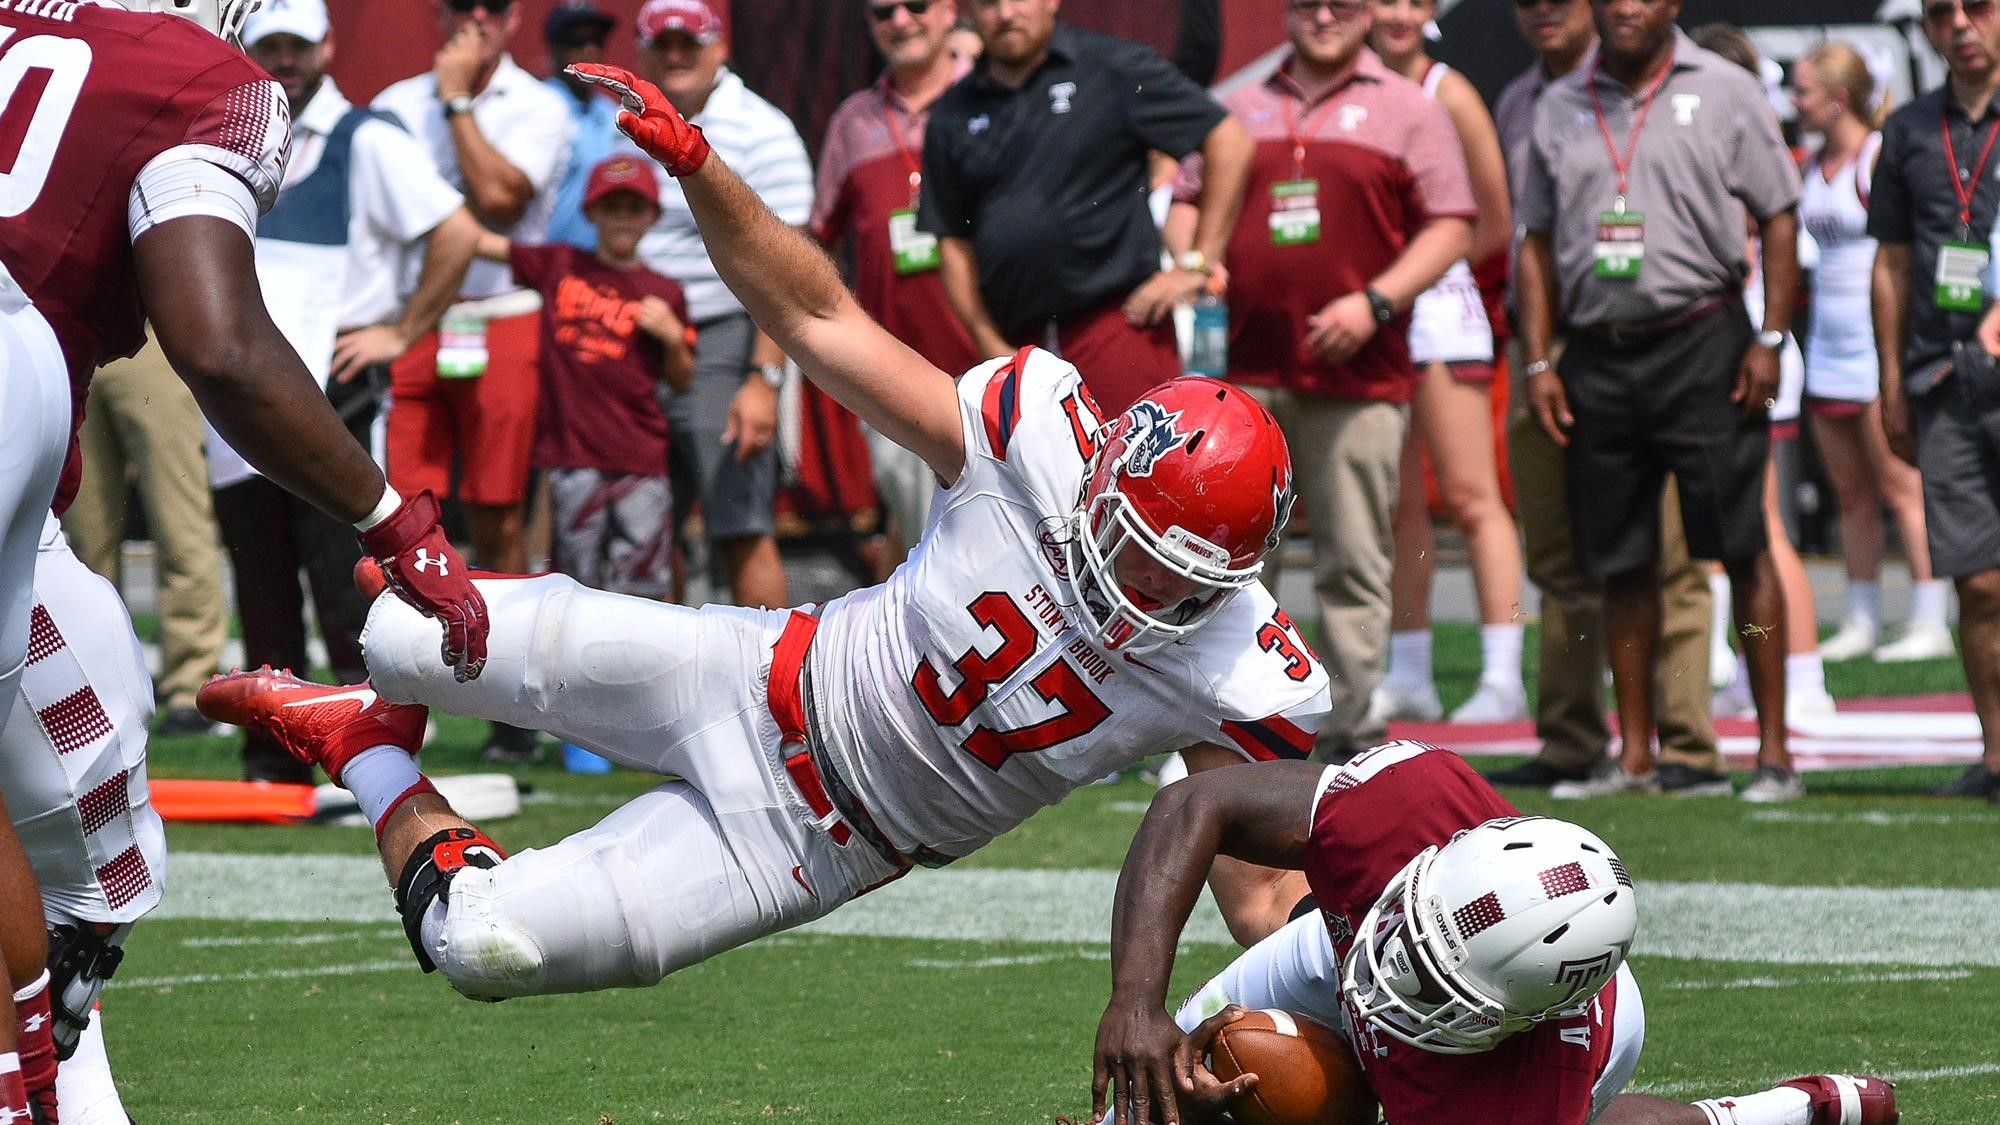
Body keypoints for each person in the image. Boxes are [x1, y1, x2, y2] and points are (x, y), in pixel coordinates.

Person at [196, 60, 1332, 1009]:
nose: (1137, 583)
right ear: (1102, 478)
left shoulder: (1235, 663)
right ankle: (383, 686)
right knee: (402, 632)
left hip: (808, 847)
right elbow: (815, 315)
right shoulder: (1032, 436)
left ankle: (366, 748)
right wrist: (698, 169)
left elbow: (1260, 899)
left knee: (485, 947)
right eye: (1133, 540)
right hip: (752, 672)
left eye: (1176, 575)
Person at [0, 1, 488, 1118]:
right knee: (91, 857)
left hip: (28, 469)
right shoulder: (198, 77)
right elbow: (216, 340)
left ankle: (64, 1078)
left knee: (95, 826)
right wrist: (392, 521)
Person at [1088, 740, 1902, 1125]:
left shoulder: (1520, 1081)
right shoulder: (1405, 805)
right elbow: (1194, 804)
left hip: (1502, 1054)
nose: (1383, 992)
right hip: (1374, 945)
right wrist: (1135, 1000)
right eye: (1414, 944)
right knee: (1157, 1091)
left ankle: (1752, 1116)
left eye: (1430, 981)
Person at [1166, 0, 1472, 762]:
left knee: (1353, 560)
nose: (1325, 16)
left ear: (1370, 12)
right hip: (1242, 377)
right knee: (1222, 562)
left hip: (1359, 375)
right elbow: (1184, 202)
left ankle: (1347, 733)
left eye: (1342, 3)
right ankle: (1219, 729)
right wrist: (1199, 260)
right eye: (1308, 3)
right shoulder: (1238, 105)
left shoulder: (1410, 108)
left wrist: (1376, 302)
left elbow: (1452, 224)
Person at [1517, 0, 1803, 799]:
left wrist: (1771, 339)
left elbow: (1779, 215)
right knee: (1620, 559)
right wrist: (1541, 360)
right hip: (1596, 352)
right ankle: (1635, 756)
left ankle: (1774, 753)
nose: (1625, 8)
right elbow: (1533, 242)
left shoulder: (1723, 87)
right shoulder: (1559, 103)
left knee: (1740, 547)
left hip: (1705, 339)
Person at [224, 0, 485, 784]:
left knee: (343, 572)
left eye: (297, 46)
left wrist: (401, 332)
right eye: (269, 44)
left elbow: (458, 231)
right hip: (244, 395)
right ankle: (273, 751)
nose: (285, 60)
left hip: (333, 392)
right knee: (260, 574)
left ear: (328, 46)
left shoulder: (365, 137)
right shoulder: (234, 135)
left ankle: (368, 743)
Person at [1484, 0, 1722, 794]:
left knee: (1671, 555)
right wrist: (1535, 358)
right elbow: (1524, 238)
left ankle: (1684, 742)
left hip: (1659, 345)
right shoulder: (1522, 100)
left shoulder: (1659, 89)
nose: (1544, 9)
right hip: (1551, 348)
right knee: (1559, 556)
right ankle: (1571, 737)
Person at [373, 0, 573, 763]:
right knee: (398, 518)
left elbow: (500, 199)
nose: (476, 18)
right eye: (461, 5)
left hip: (502, 312)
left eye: (491, 6)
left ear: (515, 16)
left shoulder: (539, 104)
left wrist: (456, 100)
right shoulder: (394, 105)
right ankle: (398, 701)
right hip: (419, 315)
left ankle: (510, 709)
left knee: (498, 514)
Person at [919, 0, 1255, 415]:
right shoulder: (953, 111)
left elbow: (1228, 140)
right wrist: (990, 344)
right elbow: (952, 241)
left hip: (1119, 330)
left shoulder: (1113, 67)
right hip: (1016, 352)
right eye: (989, 2)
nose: (1005, 13)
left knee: (1133, 478)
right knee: (1032, 483)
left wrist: (1198, 263)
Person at [1365, 0, 1528, 727]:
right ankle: (1410, 673)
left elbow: (1495, 218)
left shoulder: (1448, 90)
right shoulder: (1355, 88)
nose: (1397, 13)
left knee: (1471, 495)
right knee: (1398, 502)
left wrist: (1426, 271)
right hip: (1372, 310)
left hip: (1440, 308)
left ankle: (1502, 676)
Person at [624, 0, 808, 610]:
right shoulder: (621, 119)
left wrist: (765, 376)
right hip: (634, 338)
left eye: (689, 43)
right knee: (647, 533)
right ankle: (665, 688)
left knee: (740, 525)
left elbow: (791, 266)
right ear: (642, 49)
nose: (676, 57)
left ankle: (781, 684)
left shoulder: (763, 128)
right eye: (662, 44)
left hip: (726, 336)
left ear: (721, 47)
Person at [0, 515, 165, 1125]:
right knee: (98, 884)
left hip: (30, 545)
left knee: (100, 887)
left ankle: (46, 1088)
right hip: (24, 559)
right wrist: (387, 521)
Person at [1794, 42, 1955, 666]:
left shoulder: (1876, 156)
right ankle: (1861, 618)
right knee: (1849, 490)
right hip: (1825, 344)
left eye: (1804, 91)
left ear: (1837, 99)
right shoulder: (1811, 161)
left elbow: (1901, 255)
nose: (1795, 102)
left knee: (1901, 486)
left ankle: (1927, 616)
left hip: (1870, 343)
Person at [471, 155, 695, 599]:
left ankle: (642, 665)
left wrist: (672, 338)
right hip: (573, 457)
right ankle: (578, 670)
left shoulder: (665, 291)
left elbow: (682, 380)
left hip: (640, 459)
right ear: (591, 212)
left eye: (635, 209)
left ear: (652, 217)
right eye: (612, 208)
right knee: (575, 582)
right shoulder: (561, 264)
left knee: (644, 583)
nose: (623, 220)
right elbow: (481, 242)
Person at [1879, 0, 2000, 805]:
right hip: (1940, 375)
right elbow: (1889, 261)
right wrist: (1891, 379)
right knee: (1978, 580)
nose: (1960, 23)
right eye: (1940, 12)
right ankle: (1996, 756)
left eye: (1978, 6)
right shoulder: (1910, 129)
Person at [813, 0, 982, 554]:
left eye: (917, 5)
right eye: (885, 11)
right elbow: (821, 239)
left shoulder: (991, 95)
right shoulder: (853, 121)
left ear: (950, 10)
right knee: (923, 547)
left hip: (998, 365)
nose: (902, 20)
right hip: (895, 374)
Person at [62, 333, 231, 739]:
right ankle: (98, 682)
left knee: (179, 527)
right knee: (85, 546)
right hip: (73, 341)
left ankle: (191, 688)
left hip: (153, 338)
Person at [542, 2, 625, 252]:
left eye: (597, 40)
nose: (589, 48)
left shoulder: (610, 112)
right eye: (577, 41)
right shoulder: (539, 106)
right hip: (548, 264)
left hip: (603, 263)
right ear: (555, 48)